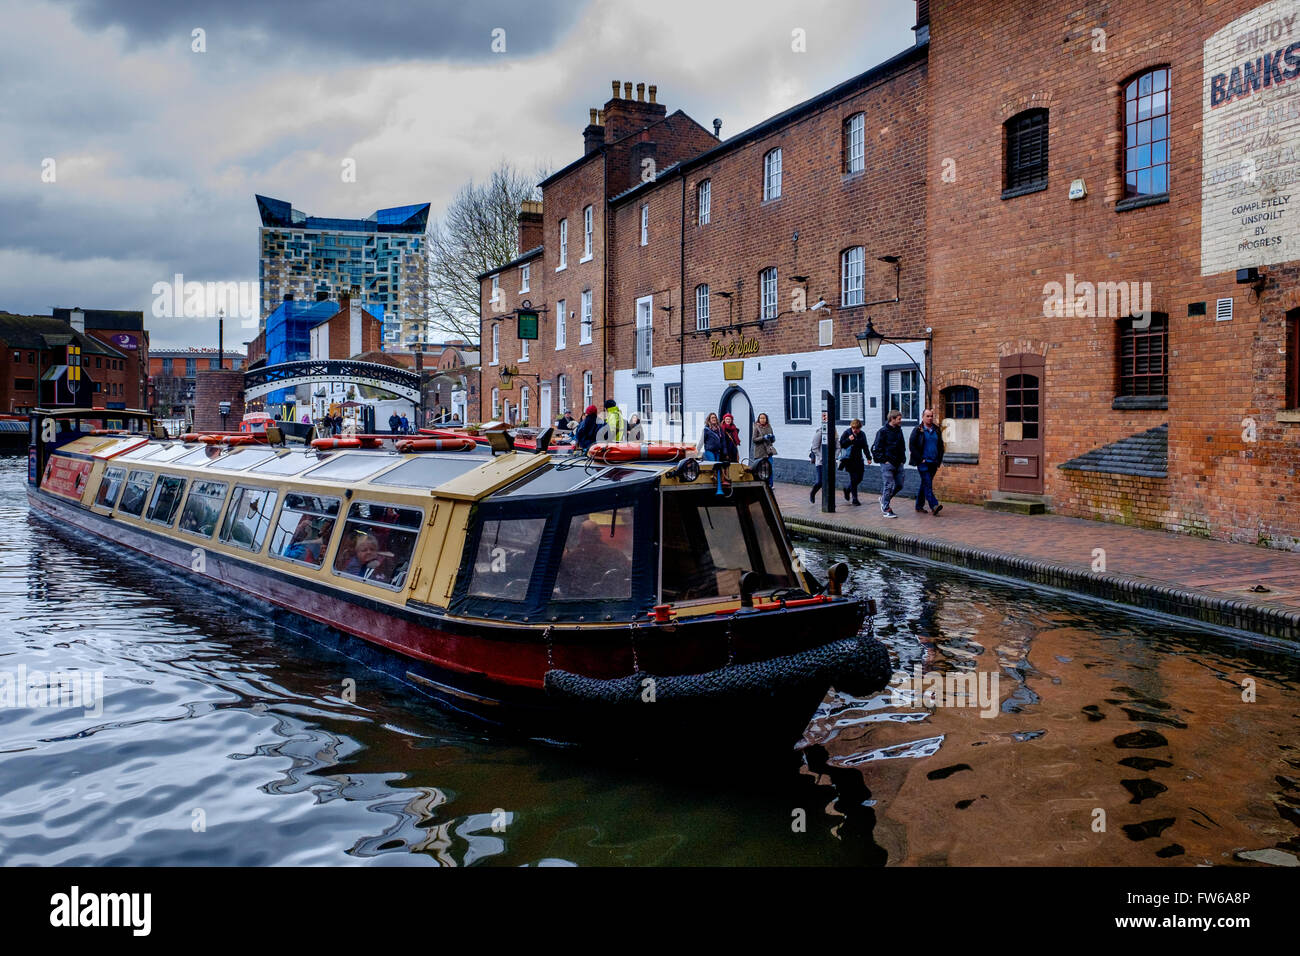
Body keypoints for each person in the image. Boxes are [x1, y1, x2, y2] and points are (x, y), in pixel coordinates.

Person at [871, 409, 907, 518]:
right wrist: (883, 460)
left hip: (898, 463)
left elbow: (902, 446)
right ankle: (886, 508)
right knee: (889, 485)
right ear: (892, 419)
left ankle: (883, 499)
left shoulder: (899, 431)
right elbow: (875, 448)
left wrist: (902, 460)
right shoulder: (882, 432)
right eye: (899, 419)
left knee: (899, 485)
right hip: (887, 464)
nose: (901, 421)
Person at [909, 407, 945, 515]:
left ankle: (919, 506)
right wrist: (920, 459)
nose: (930, 418)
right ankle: (934, 505)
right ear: (923, 417)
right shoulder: (917, 430)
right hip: (923, 463)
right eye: (927, 416)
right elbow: (912, 446)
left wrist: (939, 460)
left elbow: (940, 446)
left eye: (931, 416)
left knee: (925, 484)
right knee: (928, 483)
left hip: (933, 462)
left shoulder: (936, 430)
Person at [838, 418, 869, 505]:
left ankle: (848, 489)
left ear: (860, 428)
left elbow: (865, 446)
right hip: (849, 460)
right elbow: (841, 444)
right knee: (854, 479)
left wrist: (869, 457)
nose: (855, 430)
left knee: (860, 478)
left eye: (857, 429)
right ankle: (855, 499)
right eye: (854, 428)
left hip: (859, 459)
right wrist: (848, 440)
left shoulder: (862, 434)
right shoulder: (847, 433)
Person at [752, 412, 776, 487]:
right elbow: (754, 439)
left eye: (764, 418)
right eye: (761, 418)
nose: (762, 420)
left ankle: (770, 485)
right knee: (760, 469)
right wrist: (763, 437)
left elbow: (772, 440)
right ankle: (760, 484)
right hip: (760, 451)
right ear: (759, 419)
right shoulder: (756, 427)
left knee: (770, 468)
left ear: (766, 419)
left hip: (768, 451)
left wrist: (772, 438)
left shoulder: (769, 427)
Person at [808, 424, 825, 503]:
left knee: (829, 481)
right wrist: (821, 457)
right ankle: (812, 493)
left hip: (830, 462)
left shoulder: (833, 433)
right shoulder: (819, 433)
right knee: (820, 481)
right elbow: (815, 448)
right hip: (820, 462)